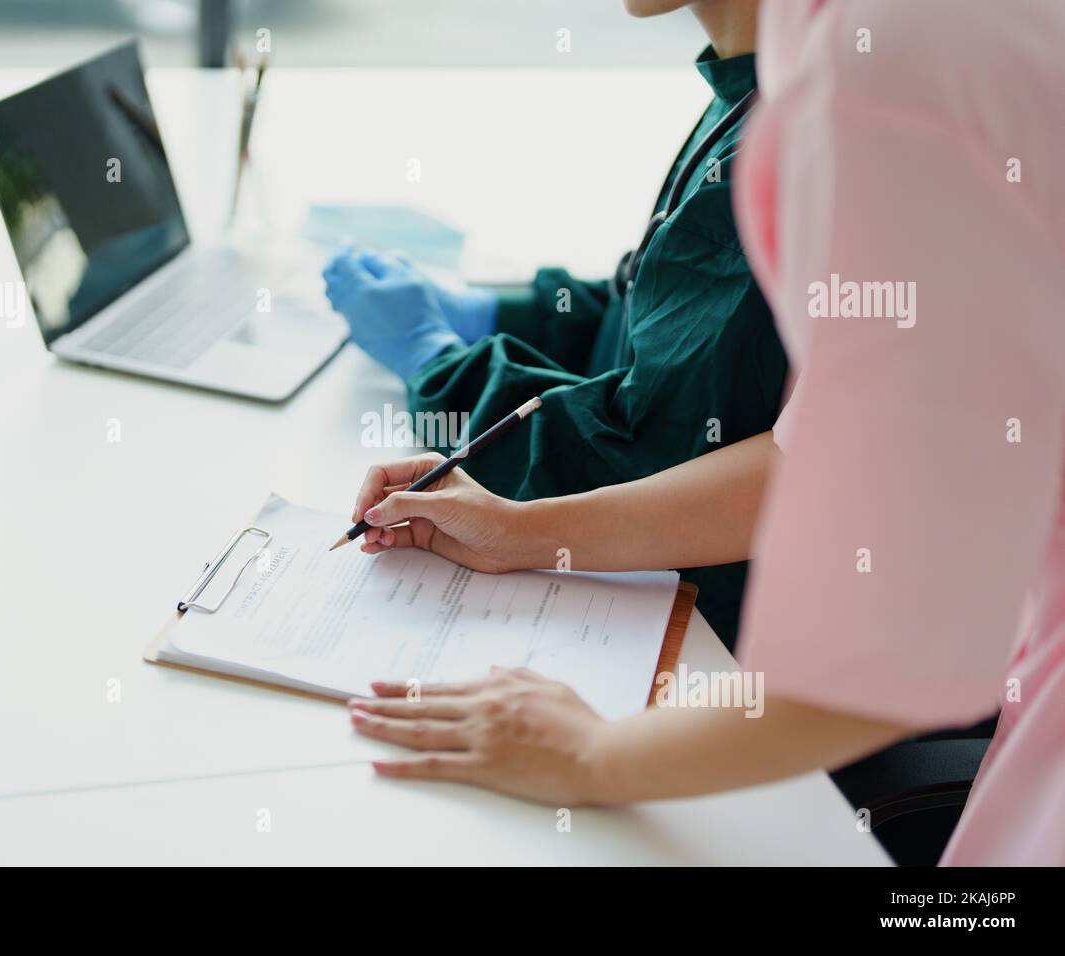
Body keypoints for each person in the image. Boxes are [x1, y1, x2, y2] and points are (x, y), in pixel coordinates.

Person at [341, 0, 1065, 865]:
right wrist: (525, 533)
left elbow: (908, 637)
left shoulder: (885, 67)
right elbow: (816, 452)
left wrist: (591, 755)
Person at [323, 0, 786, 648]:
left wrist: (439, 367)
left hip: (727, 636)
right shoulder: (748, 85)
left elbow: (649, 461)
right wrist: (500, 315)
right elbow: (660, 306)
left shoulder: (783, 139)